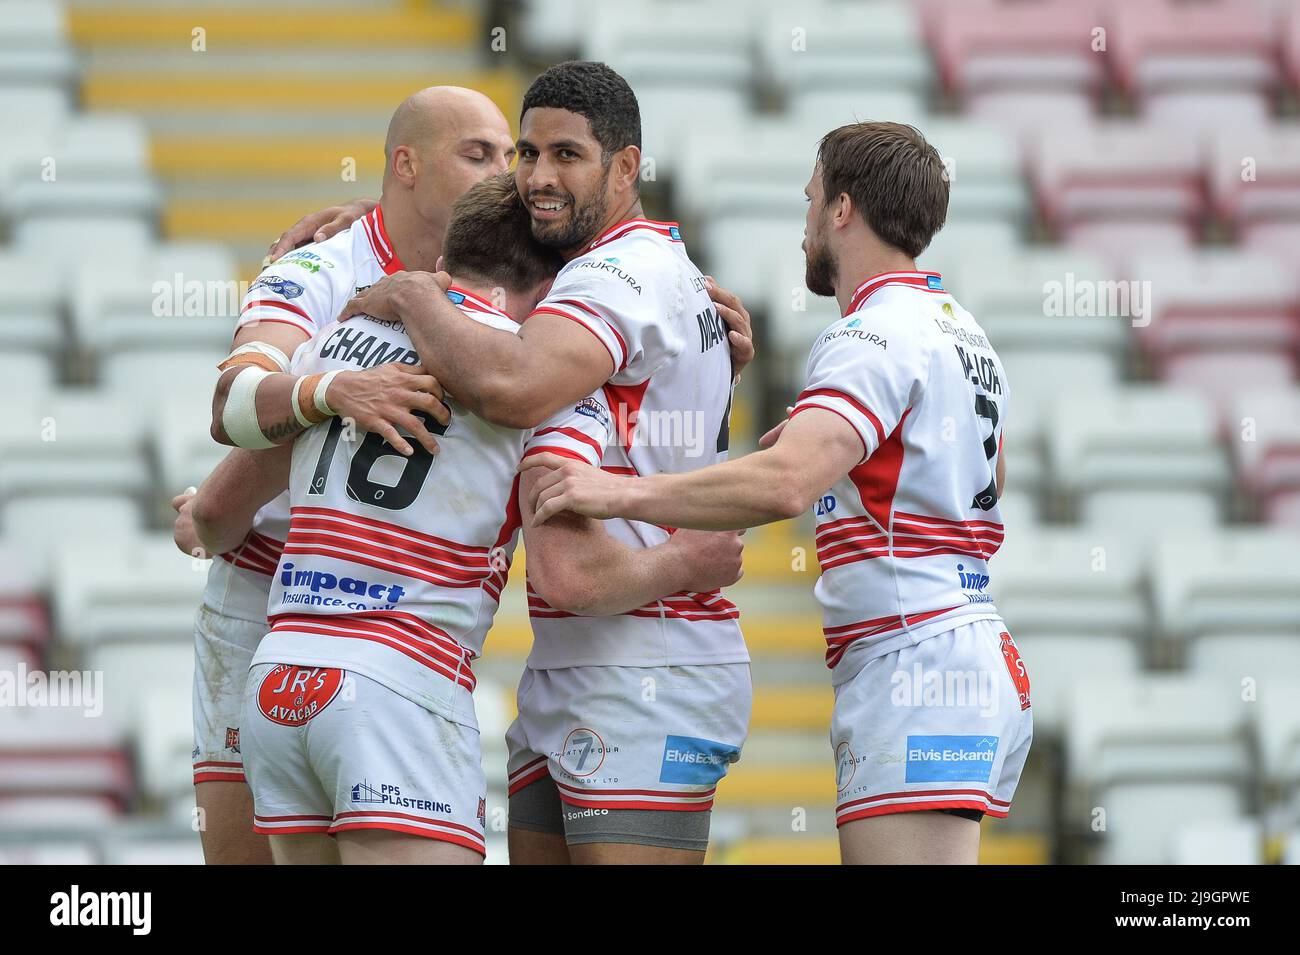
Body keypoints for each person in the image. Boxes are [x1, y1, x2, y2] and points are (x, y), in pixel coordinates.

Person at [189, 173, 744, 864]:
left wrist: (196, 526)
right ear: (561, 284)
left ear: (448, 257)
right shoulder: (533, 387)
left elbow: (217, 510)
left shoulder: (342, 339)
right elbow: (568, 571)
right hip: (401, 683)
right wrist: (688, 559)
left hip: (280, 674)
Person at [523, 122, 1034, 866]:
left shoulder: (869, 334)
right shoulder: (962, 329)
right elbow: (987, 476)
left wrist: (615, 494)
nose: (803, 227)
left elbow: (787, 483)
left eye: (810, 200)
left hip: (915, 655)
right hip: (958, 644)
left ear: (842, 210)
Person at [172, 86, 516, 864]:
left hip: (388, 611)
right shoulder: (323, 269)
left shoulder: (506, 272)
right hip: (268, 590)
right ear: (407, 164)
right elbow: (230, 399)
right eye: (478, 153)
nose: (507, 172)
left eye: (508, 153)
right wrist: (330, 392)